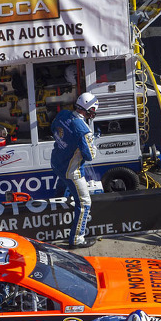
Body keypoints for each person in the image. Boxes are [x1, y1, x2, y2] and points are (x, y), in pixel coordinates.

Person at [51, 92, 99, 249]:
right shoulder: (84, 130)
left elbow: (53, 129)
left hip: (56, 163)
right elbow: (90, 155)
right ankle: (77, 239)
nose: (94, 113)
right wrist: (93, 143)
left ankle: (53, 222)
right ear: (90, 109)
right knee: (84, 202)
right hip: (71, 171)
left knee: (61, 192)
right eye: (94, 110)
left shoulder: (63, 114)